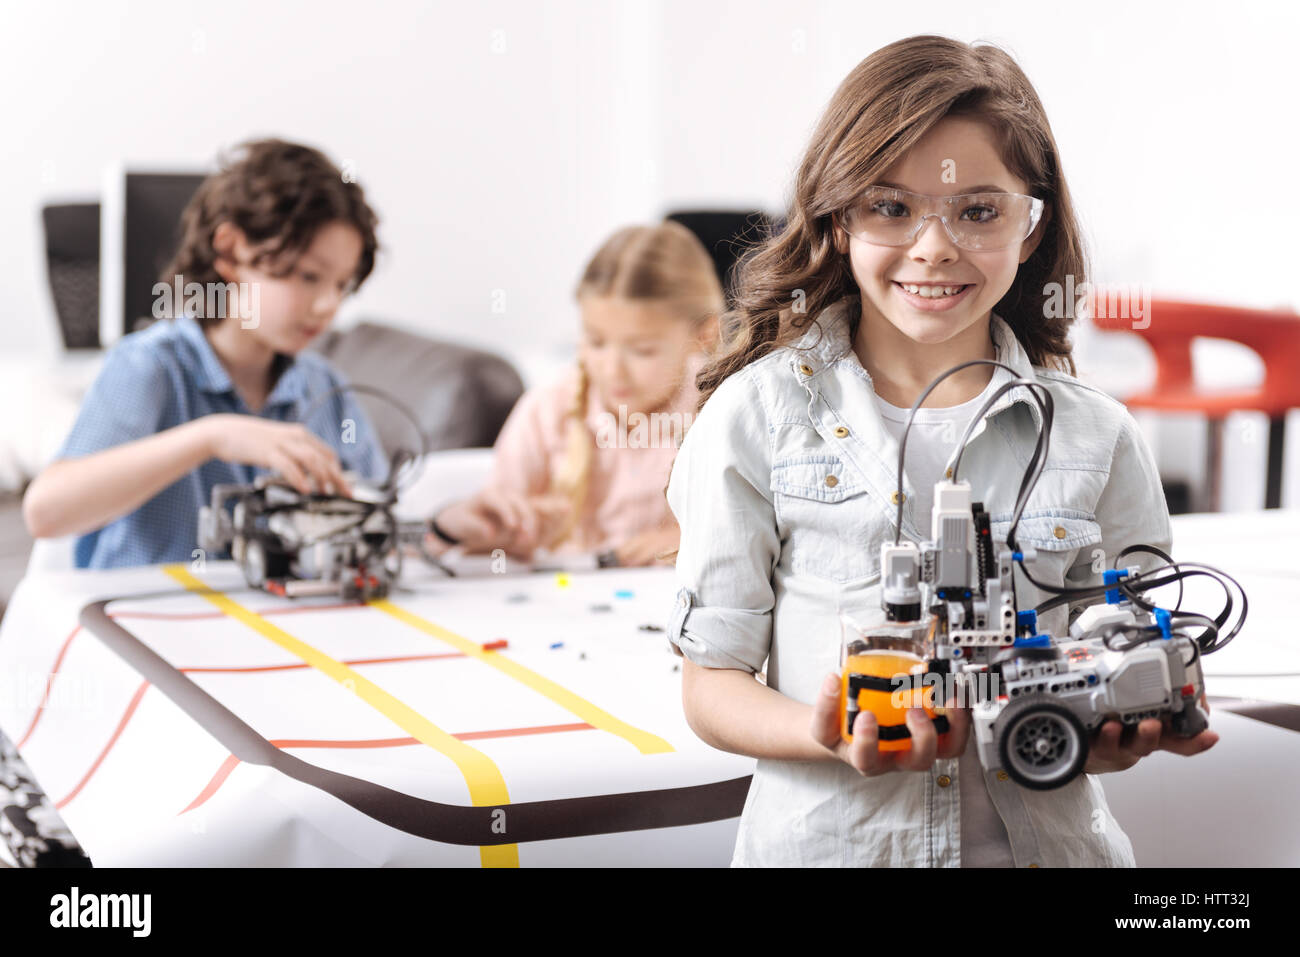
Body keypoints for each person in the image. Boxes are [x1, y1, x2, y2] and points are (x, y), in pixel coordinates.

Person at [665, 36, 1218, 867]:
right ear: (838, 215)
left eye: (978, 210)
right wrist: (830, 736)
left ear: (1030, 229)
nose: (934, 247)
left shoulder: (1095, 432)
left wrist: (1113, 726)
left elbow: (1125, 645)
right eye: (890, 207)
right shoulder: (758, 417)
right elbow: (711, 684)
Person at [23, 138, 388, 568]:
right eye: (309, 276)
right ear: (232, 251)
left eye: (342, 285)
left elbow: (381, 513)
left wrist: (441, 528)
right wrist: (211, 438)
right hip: (144, 618)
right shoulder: (150, 368)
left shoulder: (323, 386)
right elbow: (46, 512)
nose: (329, 305)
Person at [430, 221, 721, 567]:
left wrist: (697, 541)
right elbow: (479, 546)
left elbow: (769, 532)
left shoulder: (722, 412)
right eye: (596, 342)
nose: (612, 369)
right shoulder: (548, 409)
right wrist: (480, 529)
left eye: (642, 350)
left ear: (705, 335)